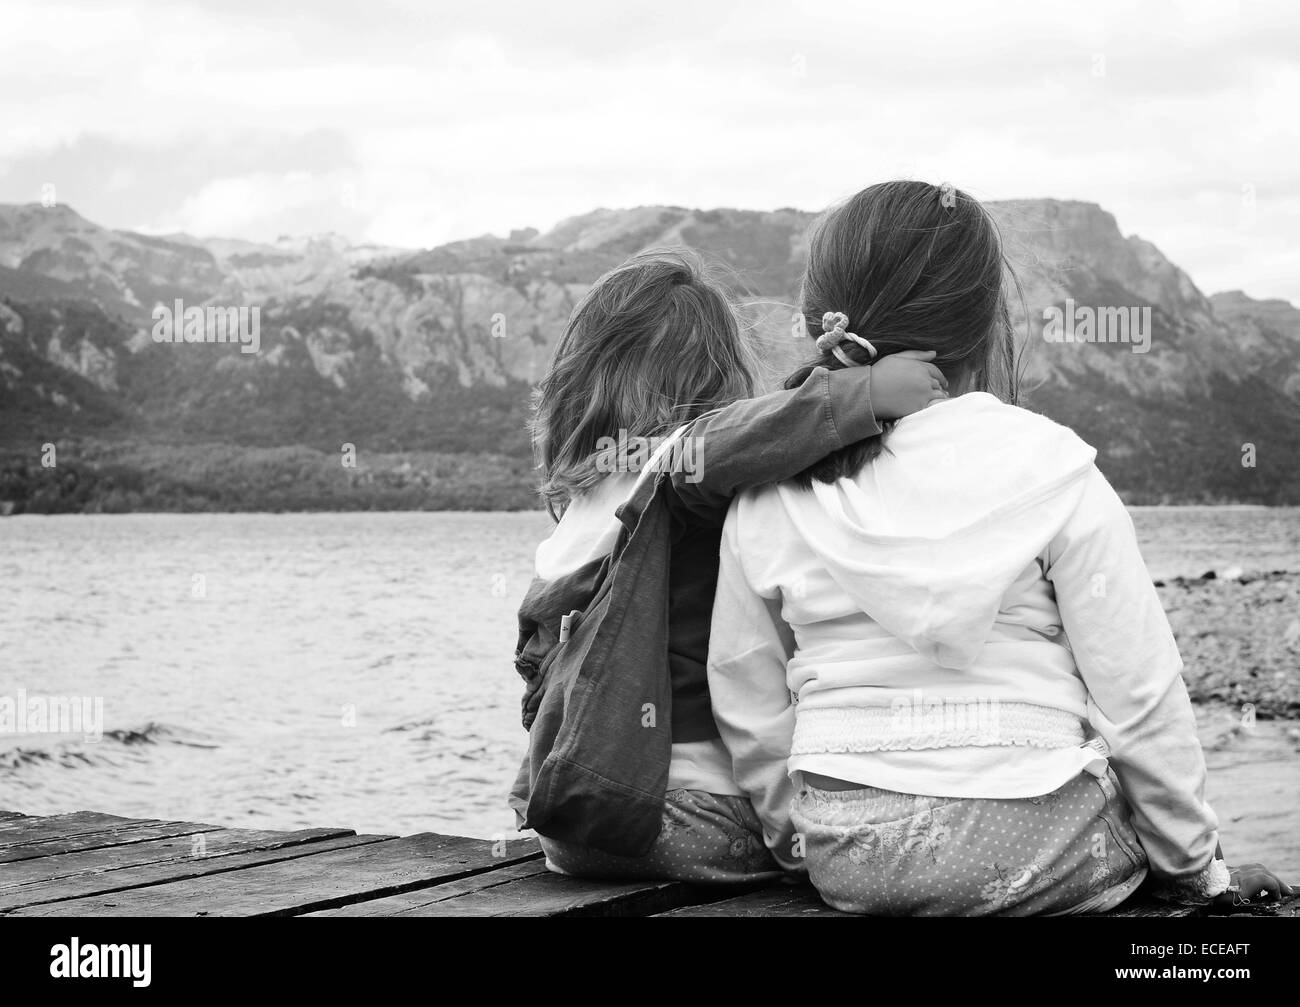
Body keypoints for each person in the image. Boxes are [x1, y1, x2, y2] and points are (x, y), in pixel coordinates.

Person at [707, 180, 1293, 914]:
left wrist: (799, 844)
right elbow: (1139, 696)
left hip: (852, 855)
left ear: (817, 320)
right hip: (1037, 844)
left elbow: (746, 693)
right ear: (985, 322)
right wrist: (1196, 870)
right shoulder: (1053, 469)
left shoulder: (768, 490)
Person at [512, 246, 946, 883]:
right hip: (685, 822)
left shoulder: (578, 515)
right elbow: (736, 439)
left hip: (572, 829)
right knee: (850, 843)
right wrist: (864, 393)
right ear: (715, 376)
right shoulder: (670, 474)